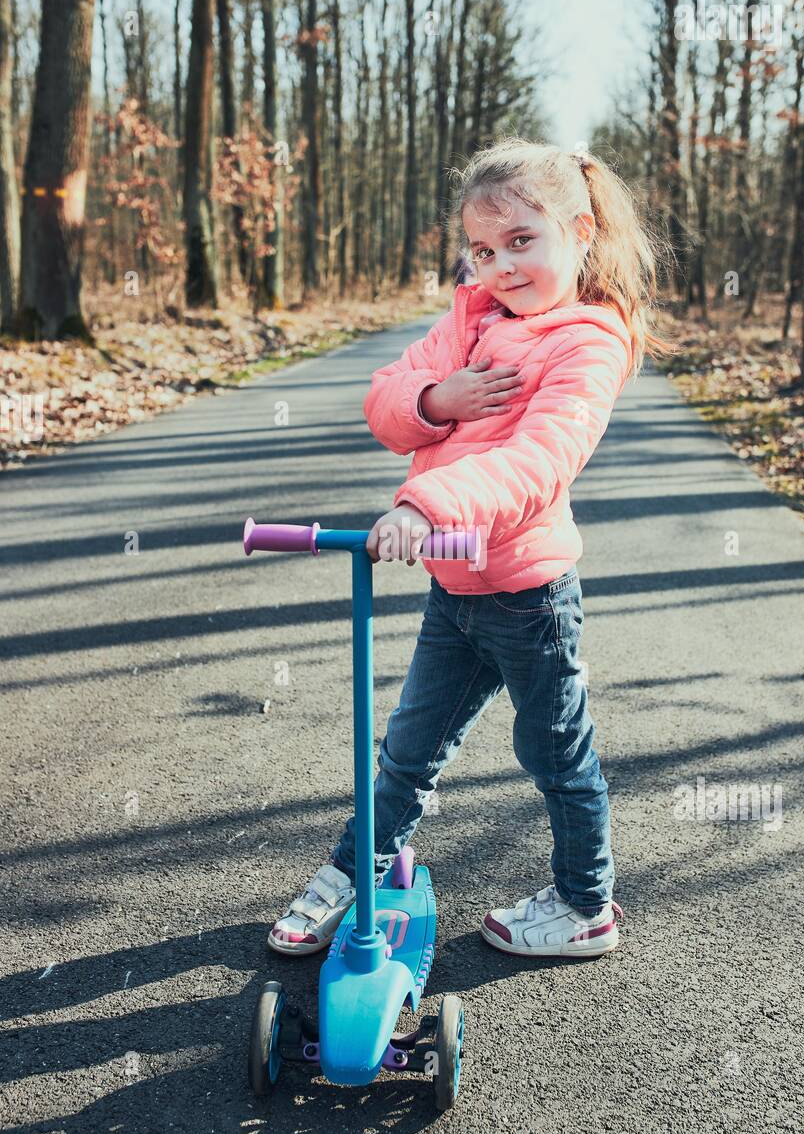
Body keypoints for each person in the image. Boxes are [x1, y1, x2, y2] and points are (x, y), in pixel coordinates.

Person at [269, 135, 671, 960]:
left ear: (581, 231)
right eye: (483, 250)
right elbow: (385, 403)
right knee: (406, 749)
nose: (501, 267)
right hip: (457, 591)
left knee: (557, 756)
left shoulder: (587, 342)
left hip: (528, 596)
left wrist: (426, 503)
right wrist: (436, 397)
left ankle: (584, 904)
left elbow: (539, 458)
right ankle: (362, 866)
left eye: (522, 242)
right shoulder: (469, 319)